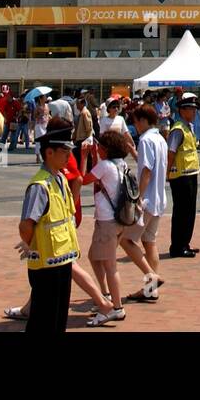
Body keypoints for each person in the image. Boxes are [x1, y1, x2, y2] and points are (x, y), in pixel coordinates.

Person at [16, 119, 81, 333]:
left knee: (58, 318)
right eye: (64, 152)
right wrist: (31, 244)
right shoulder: (40, 186)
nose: (68, 156)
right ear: (49, 153)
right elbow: (26, 225)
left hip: (62, 259)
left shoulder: (60, 179)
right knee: (43, 320)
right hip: (45, 264)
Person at [79, 129, 143, 326]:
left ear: (105, 149)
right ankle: (105, 295)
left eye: (99, 147)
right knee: (93, 256)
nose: (96, 148)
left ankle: (116, 308)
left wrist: (84, 157)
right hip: (118, 220)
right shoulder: (121, 164)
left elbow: (82, 179)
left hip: (107, 221)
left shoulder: (105, 166)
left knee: (110, 266)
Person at [128, 105, 168, 282]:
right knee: (149, 241)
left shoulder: (145, 140)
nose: (135, 125)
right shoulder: (160, 139)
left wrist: (139, 197)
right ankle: (150, 289)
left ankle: (151, 277)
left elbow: (146, 171)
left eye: (136, 122)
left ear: (143, 121)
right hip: (159, 198)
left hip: (148, 199)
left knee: (126, 240)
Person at [167, 95, 200, 256]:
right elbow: (171, 153)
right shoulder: (178, 129)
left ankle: (185, 243)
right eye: (191, 109)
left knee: (189, 210)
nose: (194, 112)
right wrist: (167, 172)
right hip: (180, 176)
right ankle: (177, 246)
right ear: (182, 111)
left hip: (191, 173)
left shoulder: (188, 127)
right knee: (181, 211)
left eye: (195, 109)